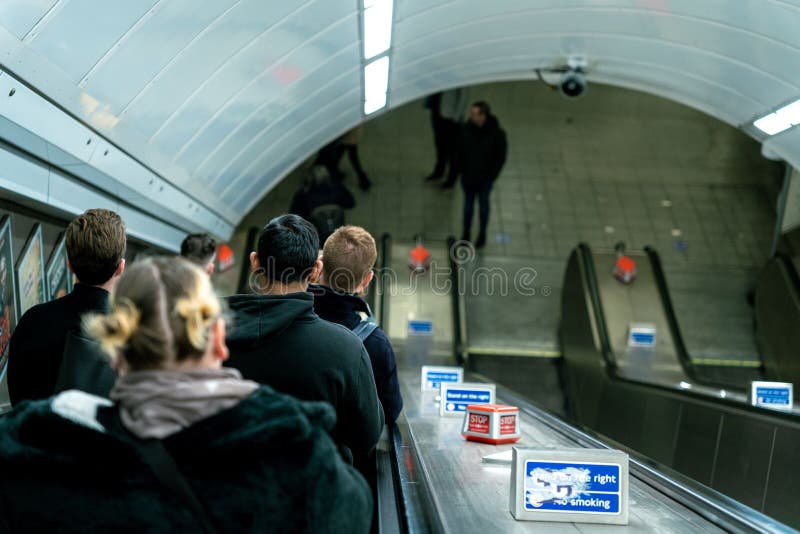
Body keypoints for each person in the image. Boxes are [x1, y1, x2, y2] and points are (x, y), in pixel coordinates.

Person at [0, 256, 372, 533]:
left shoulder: (32, 445)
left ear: (114, 352)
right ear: (218, 342)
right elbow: (352, 514)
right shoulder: (289, 448)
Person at [225, 214, 384, 465]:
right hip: (313, 496)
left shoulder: (208, 338)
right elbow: (366, 437)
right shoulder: (345, 349)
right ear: (315, 271)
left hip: (219, 495)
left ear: (255, 262)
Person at [7, 209, 126, 405]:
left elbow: (18, 401)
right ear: (120, 268)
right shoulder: (135, 336)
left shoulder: (33, 321)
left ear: (69, 264)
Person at [311, 226, 403, 423]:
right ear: (367, 279)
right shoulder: (375, 343)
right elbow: (390, 410)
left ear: (319, 265)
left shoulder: (288, 317)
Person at [444, 101, 507, 248]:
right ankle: (466, 233)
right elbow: (458, 152)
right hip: (468, 177)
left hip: (485, 180)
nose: (470, 116)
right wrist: (460, 169)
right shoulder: (465, 130)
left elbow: (500, 158)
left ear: (483, 116)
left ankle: (482, 233)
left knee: (483, 207)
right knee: (468, 207)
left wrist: (491, 176)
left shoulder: (497, 134)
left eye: (474, 113)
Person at [290, 165, 356, 243]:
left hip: (315, 236)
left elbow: (294, 215)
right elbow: (351, 203)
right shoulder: (337, 189)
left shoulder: (304, 194)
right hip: (337, 231)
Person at [424, 88, 469, 183]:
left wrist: (456, 117)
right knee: (440, 145)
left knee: (452, 149)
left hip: (450, 117)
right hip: (437, 111)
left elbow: (464, 96)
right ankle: (439, 171)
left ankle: (452, 177)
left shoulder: (460, 74)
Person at [314, 125, 372, 191]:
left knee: (347, 153)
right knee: (348, 154)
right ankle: (363, 179)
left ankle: (362, 179)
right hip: (351, 129)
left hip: (348, 129)